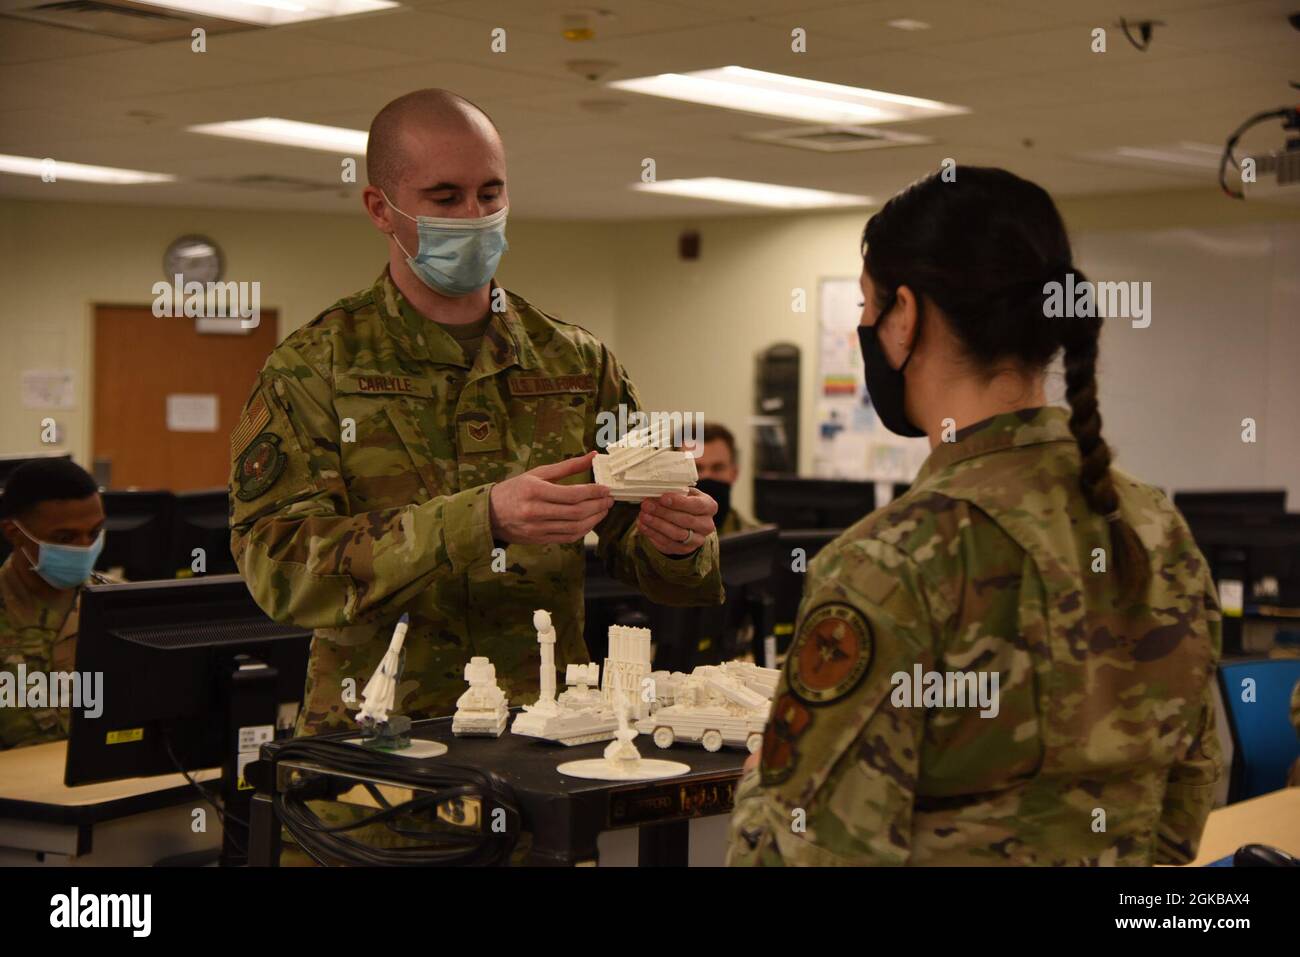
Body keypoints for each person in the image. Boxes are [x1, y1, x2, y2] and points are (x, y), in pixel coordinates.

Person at [727, 167, 1222, 866]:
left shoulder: (888, 562)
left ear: (905, 316)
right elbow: (1189, 795)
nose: (866, 327)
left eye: (868, 307)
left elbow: (804, 857)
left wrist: (760, 787)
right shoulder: (1156, 529)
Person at [230, 89, 723, 738]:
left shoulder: (575, 362)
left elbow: (644, 551)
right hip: (376, 753)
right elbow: (280, 566)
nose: (474, 215)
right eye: (445, 197)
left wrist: (679, 540)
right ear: (381, 208)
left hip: (548, 734)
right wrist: (479, 518)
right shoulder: (314, 367)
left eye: (490, 194)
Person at [0, 459, 109, 750]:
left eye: (95, 533)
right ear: (14, 532)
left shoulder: (120, 604)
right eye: (65, 537)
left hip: (108, 780)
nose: (85, 546)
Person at [692, 423, 757, 535]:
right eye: (695, 468)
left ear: (734, 473)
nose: (707, 476)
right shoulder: (653, 546)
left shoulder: (759, 542)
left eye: (718, 468)